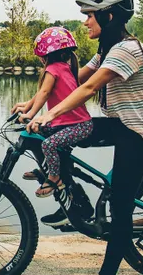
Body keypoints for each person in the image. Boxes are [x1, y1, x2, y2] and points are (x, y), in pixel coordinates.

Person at [27, 0, 143, 275]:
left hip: (142, 134)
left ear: (109, 17)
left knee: (120, 206)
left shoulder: (127, 51)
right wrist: (35, 104)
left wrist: (49, 114)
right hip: (121, 124)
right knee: (52, 136)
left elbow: (89, 89)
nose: (86, 21)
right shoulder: (107, 50)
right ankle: (75, 205)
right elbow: (72, 82)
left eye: (90, 15)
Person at [11, 27, 94, 200]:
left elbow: (44, 93)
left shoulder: (53, 69)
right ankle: (47, 168)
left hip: (78, 125)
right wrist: (27, 107)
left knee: (48, 145)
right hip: (69, 122)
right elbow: (43, 92)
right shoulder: (64, 67)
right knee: (37, 134)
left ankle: (55, 178)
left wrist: (30, 114)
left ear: (43, 55)